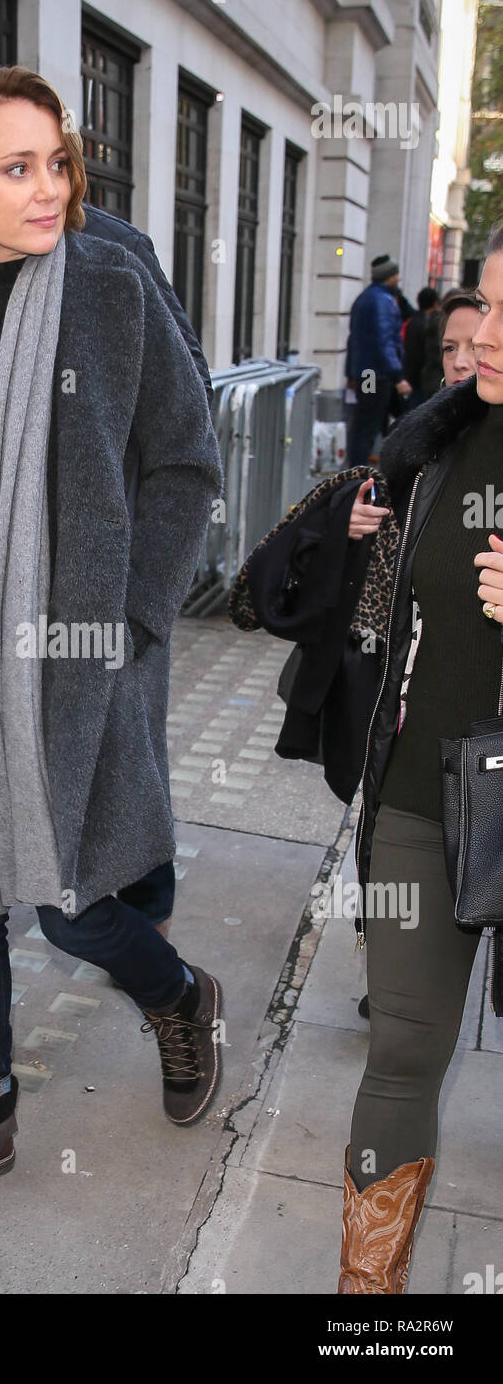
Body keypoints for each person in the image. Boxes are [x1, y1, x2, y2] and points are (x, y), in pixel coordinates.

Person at [0, 65, 223, 1225]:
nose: (50, 188)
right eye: (16, 168)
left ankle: (175, 998)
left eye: (56, 162)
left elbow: (184, 462)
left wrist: (129, 620)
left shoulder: (111, 285)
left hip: (73, 660)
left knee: (68, 901)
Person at [336, 222, 503, 1292]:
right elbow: (382, 613)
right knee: (399, 1052)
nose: (478, 331)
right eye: (481, 303)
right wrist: (359, 532)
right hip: (419, 799)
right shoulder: (439, 436)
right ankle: (368, 1304)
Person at [345, 257, 412, 466]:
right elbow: (384, 341)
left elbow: (353, 338)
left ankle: (358, 466)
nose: (399, 278)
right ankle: (358, 470)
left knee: (365, 421)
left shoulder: (365, 298)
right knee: (368, 423)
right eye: (396, 274)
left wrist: (350, 371)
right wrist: (397, 375)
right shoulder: (381, 302)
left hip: (367, 372)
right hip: (375, 373)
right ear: (389, 277)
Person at [402, 286, 442, 405]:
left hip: (411, 374)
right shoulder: (429, 323)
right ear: (435, 303)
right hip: (419, 379)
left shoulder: (413, 320)